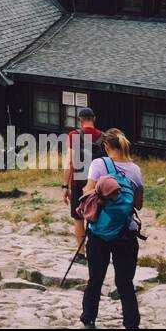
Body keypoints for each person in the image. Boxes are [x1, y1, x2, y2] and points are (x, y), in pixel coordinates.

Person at [80, 128, 144, 330]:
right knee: (125, 282)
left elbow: (88, 192)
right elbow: (139, 204)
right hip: (126, 231)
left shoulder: (99, 164)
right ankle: (131, 324)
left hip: (99, 230)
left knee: (96, 278)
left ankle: (89, 319)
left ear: (106, 146)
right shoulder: (135, 169)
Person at [63, 107, 105, 257]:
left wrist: (64, 186)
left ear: (80, 120)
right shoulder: (103, 137)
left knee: (78, 218)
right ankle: (98, 252)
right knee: (97, 218)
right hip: (98, 185)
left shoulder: (74, 135)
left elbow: (69, 163)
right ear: (94, 119)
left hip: (78, 183)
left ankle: (81, 254)